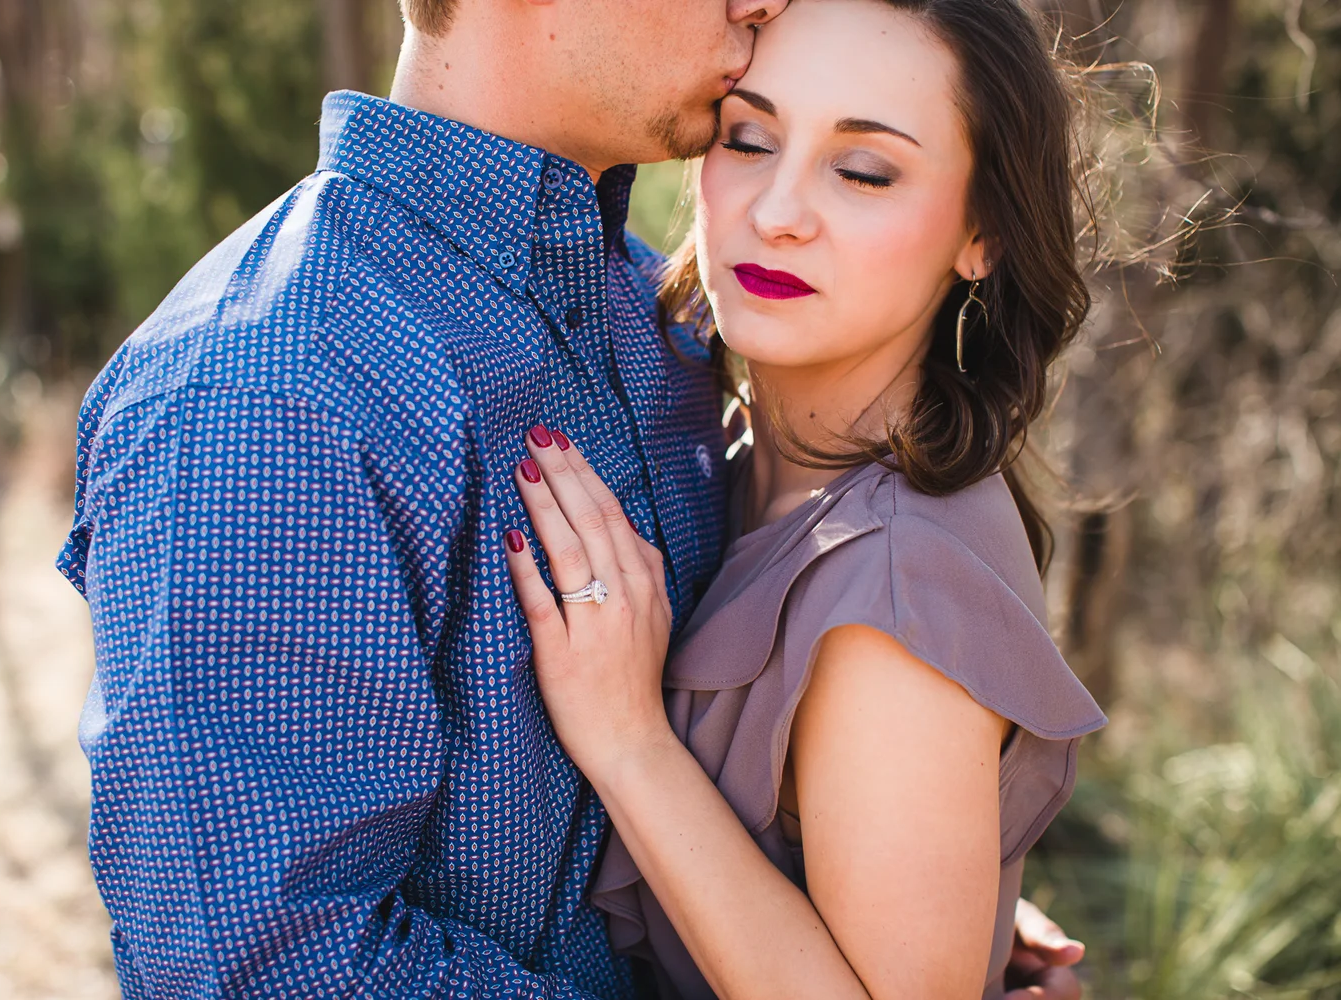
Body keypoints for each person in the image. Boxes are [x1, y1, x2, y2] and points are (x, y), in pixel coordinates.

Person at [58, 0, 1089, 995]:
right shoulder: (273, 389)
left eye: (862, 169)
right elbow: (266, 976)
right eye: (751, 142)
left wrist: (914, 893)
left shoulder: (664, 330)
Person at [501, 0, 1108, 998]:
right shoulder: (735, 455)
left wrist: (631, 744)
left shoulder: (893, 586)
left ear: (983, 233)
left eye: (864, 171)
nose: (779, 208)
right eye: (750, 139)